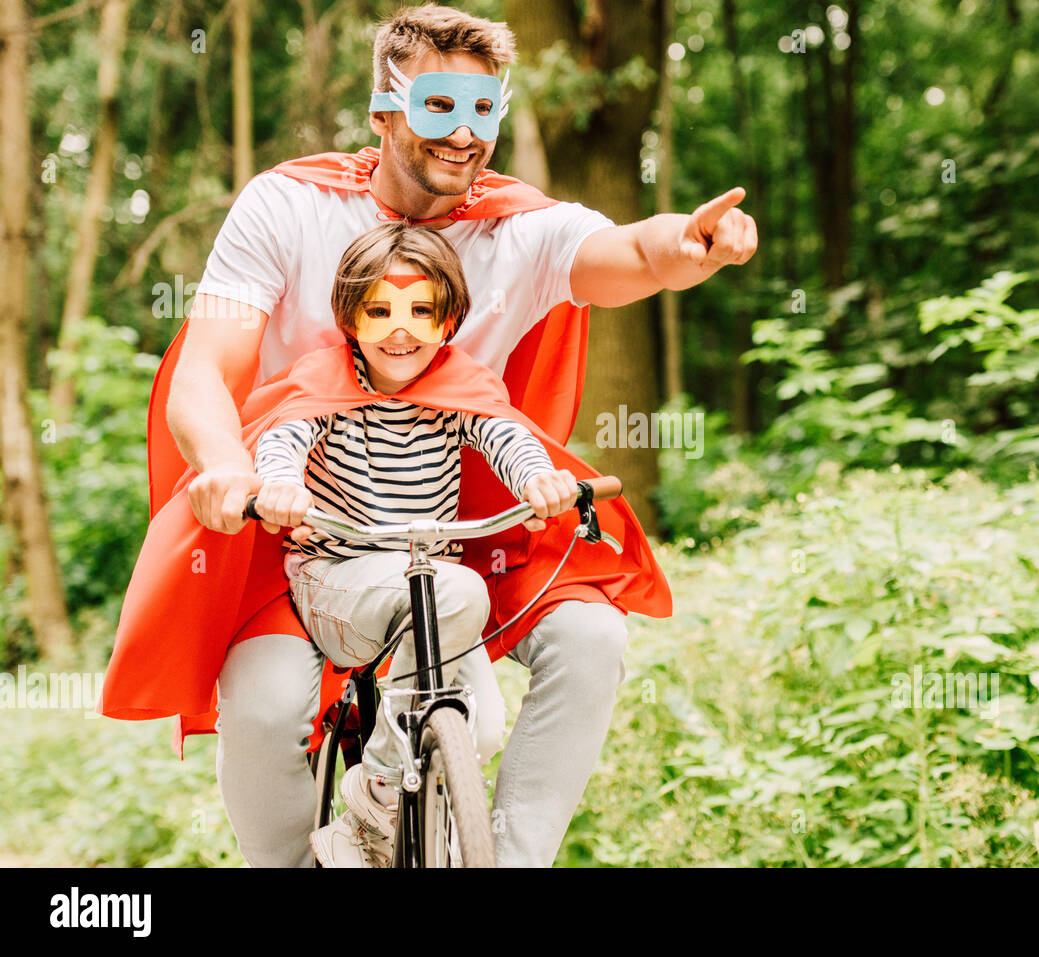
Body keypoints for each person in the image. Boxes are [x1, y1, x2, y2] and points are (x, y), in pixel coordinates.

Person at [101, 3, 755, 868]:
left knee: (592, 639)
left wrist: (693, 244)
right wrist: (227, 470)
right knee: (262, 710)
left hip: (461, 514)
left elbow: (630, 255)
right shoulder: (287, 206)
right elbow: (205, 371)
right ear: (384, 110)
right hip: (292, 518)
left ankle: (500, 860)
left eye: (484, 110)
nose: (465, 136)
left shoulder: (517, 227)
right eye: (439, 107)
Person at [253, 222, 579, 866]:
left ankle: (430, 837)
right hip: (338, 578)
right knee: (459, 590)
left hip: (430, 598)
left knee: (479, 729)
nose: (400, 331)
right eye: (379, 310)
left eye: (421, 311)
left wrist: (538, 476)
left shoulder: (457, 386)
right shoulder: (324, 384)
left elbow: (501, 434)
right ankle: (373, 800)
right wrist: (280, 486)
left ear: (448, 318)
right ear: (349, 317)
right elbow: (282, 439)